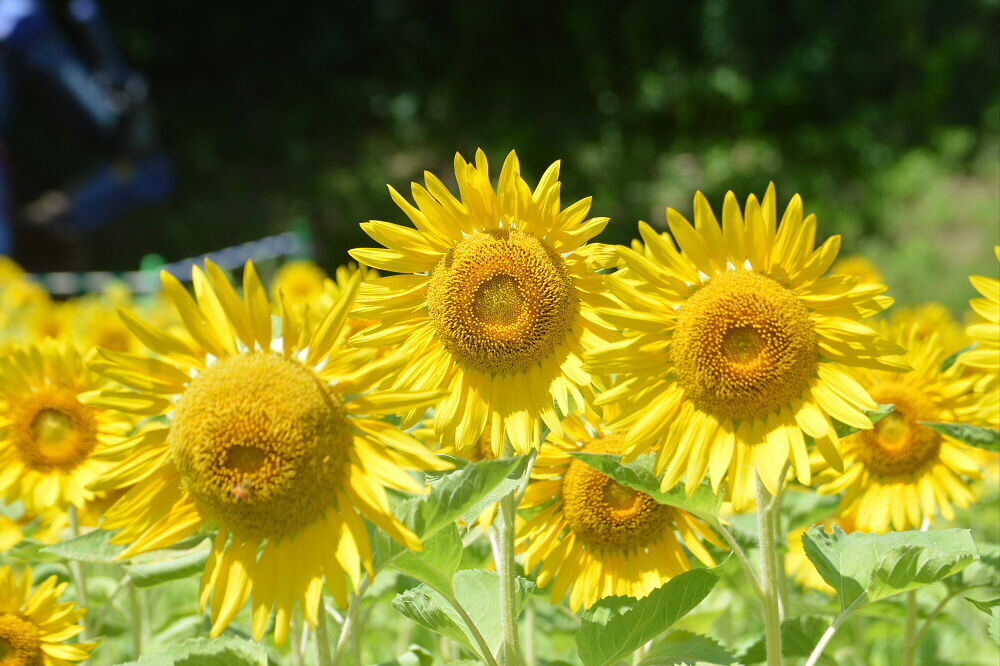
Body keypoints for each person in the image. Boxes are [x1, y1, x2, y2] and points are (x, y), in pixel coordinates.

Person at [0, 0, 171, 260]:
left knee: (134, 142)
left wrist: (116, 78)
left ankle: (60, 217)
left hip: (33, 35)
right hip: (30, 38)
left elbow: (84, 9)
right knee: (133, 139)